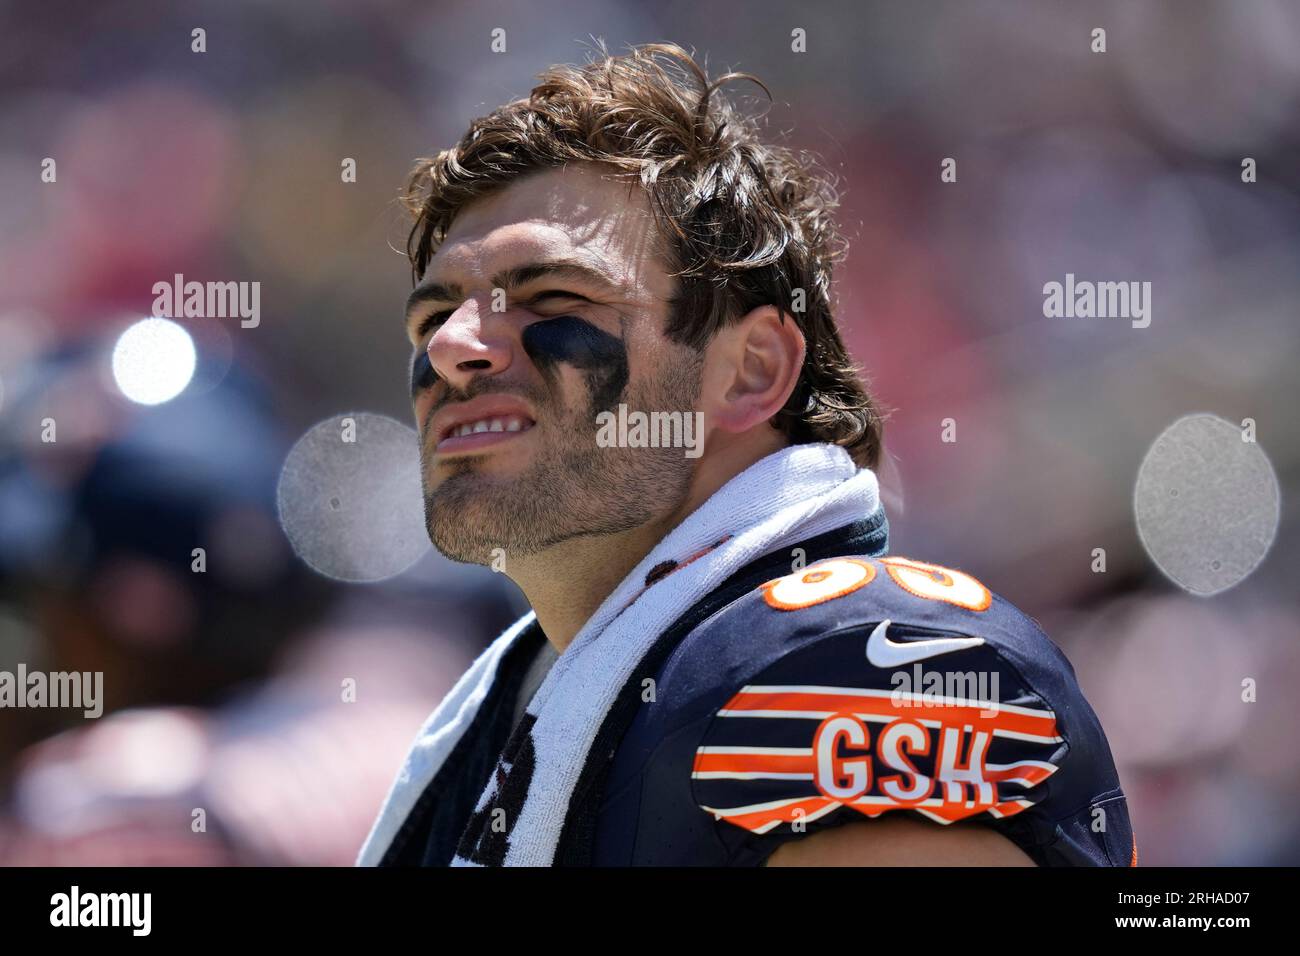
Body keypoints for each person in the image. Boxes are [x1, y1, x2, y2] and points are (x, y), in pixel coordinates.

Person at [358, 43, 1133, 867]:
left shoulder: (855, 666)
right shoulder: (518, 702)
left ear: (751, 371)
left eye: (553, 296)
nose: (453, 347)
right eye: (433, 315)